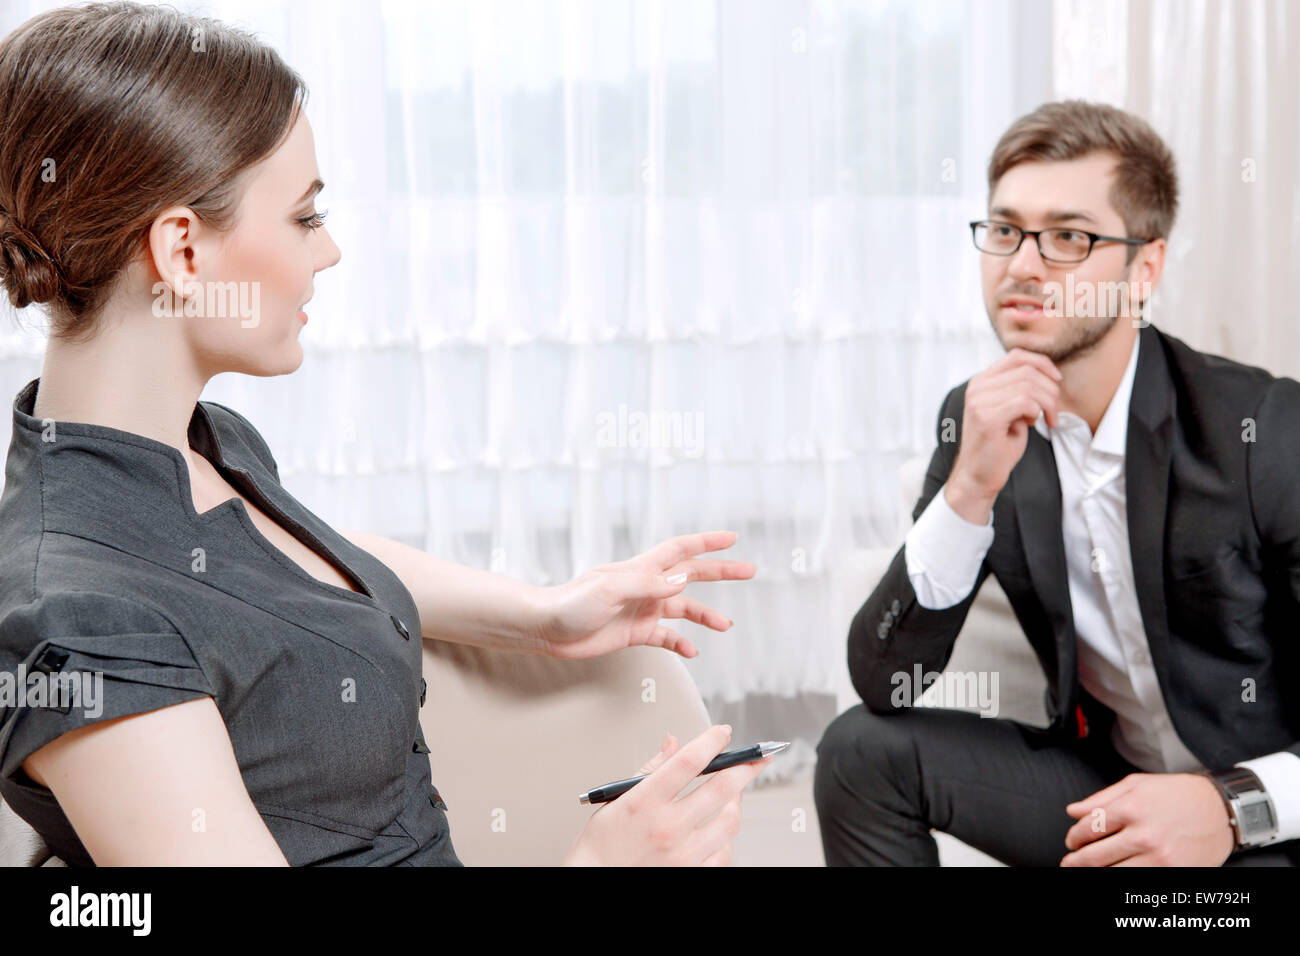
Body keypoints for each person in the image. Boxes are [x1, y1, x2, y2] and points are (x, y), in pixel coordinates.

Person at [0, 1, 767, 867]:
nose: (327, 254)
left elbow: (273, 564)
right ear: (182, 250)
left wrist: (544, 616)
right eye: (304, 216)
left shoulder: (199, 445)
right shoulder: (79, 621)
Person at [815, 100, 1300, 866]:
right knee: (860, 754)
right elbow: (887, 682)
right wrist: (967, 490)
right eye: (1005, 230)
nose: (1023, 264)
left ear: (1145, 269)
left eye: (1068, 237)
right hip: (1108, 794)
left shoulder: (1263, 429)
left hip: (1270, 820)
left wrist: (1232, 808)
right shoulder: (979, 419)